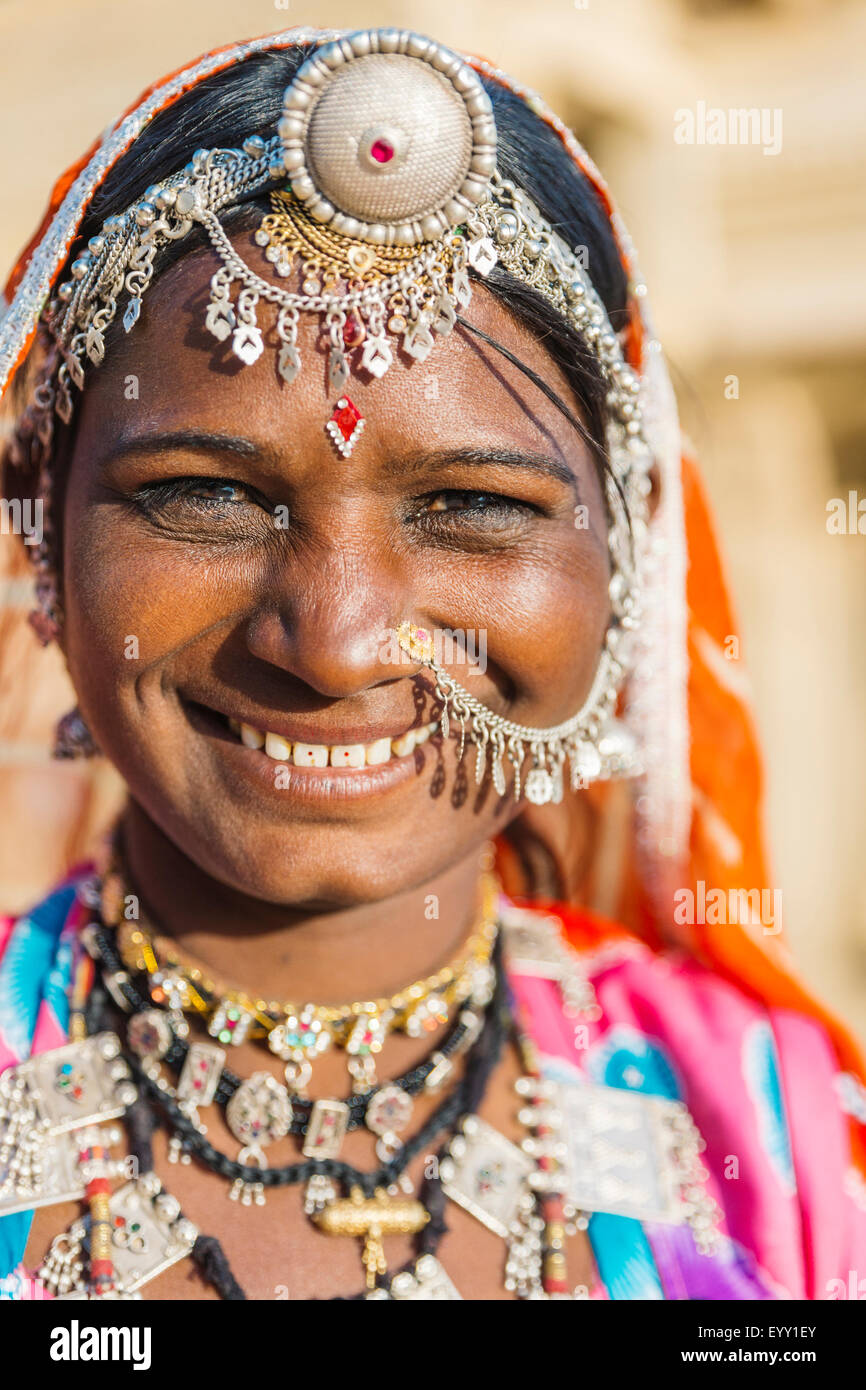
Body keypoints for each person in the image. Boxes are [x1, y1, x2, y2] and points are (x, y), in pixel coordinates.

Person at [0, 25, 863, 1302]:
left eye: (471, 509)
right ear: (38, 528)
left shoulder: (778, 1138)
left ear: (628, 558)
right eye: (204, 497)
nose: (339, 643)